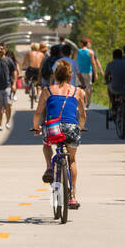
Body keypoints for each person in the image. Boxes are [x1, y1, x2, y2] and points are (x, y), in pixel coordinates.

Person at [33, 58, 86, 207]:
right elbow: (83, 115)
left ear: (55, 76)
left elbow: (38, 113)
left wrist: (36, 127)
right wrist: (80, 127)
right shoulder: (78, 91)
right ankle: (73, 196)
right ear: (70, 76)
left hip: (53, 128)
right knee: (72, 160)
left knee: (46, 144)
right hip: (71, 128)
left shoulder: (47, 90)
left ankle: (49, 167)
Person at [104, 47, 125, 132]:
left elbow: (106, 77)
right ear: (121, 56)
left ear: (113, 56)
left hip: (115, 88)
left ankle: (113, 104)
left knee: (109, 88)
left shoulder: (110, 64)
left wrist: (107, 81)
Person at [0, 43, 17, 131]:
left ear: (4, 49)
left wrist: (14, 84)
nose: (0, 50)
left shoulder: (9, 60)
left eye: (2, 48)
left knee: (8, 105)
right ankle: (0, 124)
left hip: (7, 86)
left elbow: (14, 72)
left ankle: (8, 122)